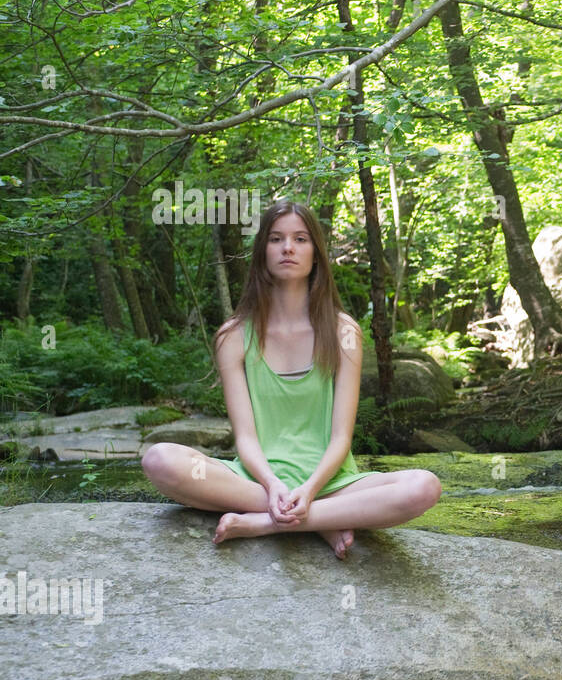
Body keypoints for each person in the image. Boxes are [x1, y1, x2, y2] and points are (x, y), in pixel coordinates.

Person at [141, 199, 441, 558]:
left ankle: (269, 523)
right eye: (276, 239)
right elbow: (246, 439)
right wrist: (272, 485)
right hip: (256, 482)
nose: (287, 247)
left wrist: (310, 490)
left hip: (332, 483)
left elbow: (341, 438)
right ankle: (321, 521)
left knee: (424, 486)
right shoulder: (233, 336)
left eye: (300, 239)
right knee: (160, 460)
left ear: (316, 252)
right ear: (262, 253)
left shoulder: (343, 331)